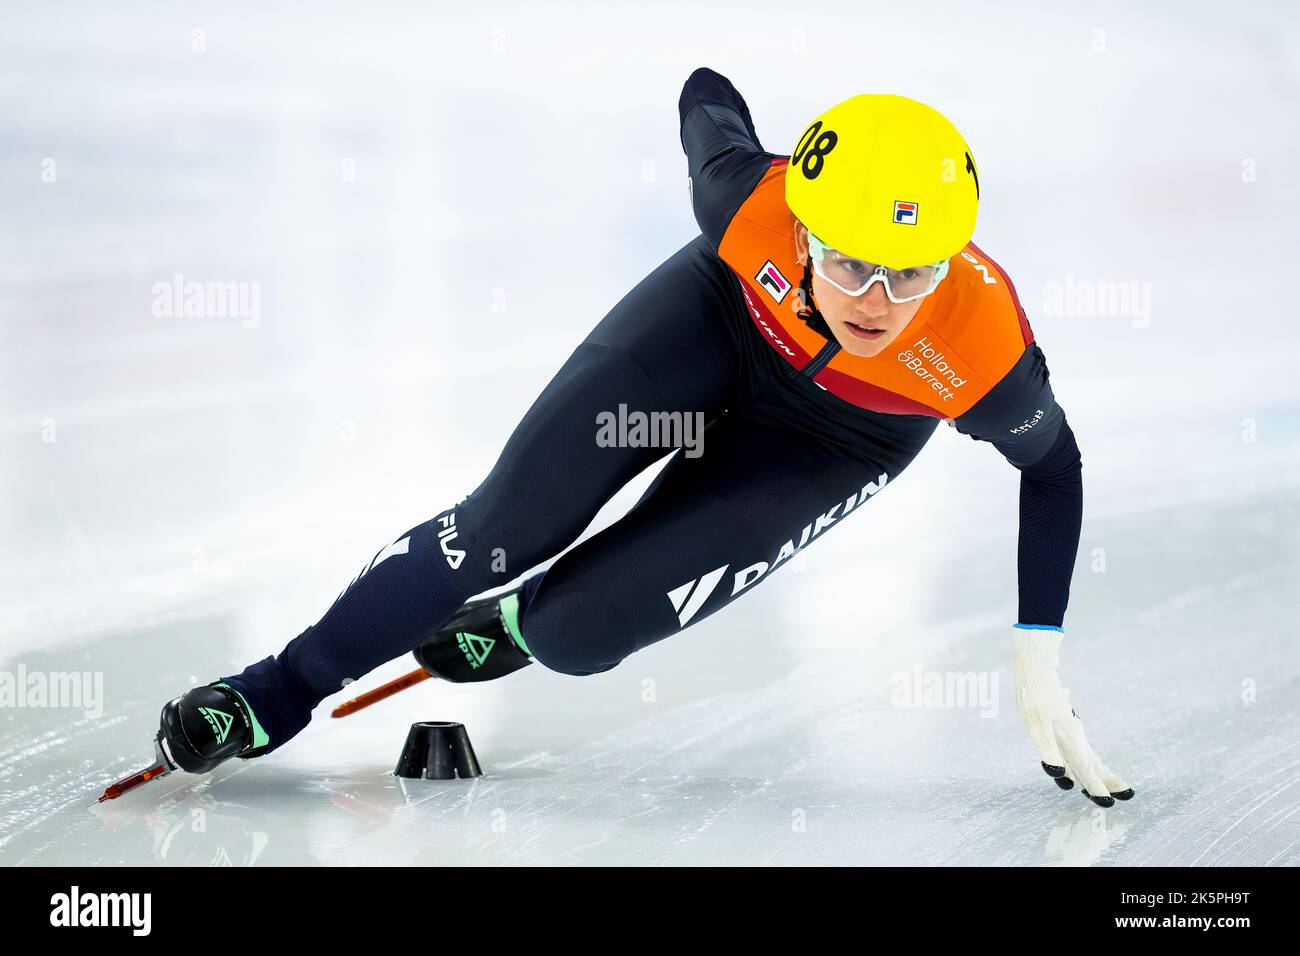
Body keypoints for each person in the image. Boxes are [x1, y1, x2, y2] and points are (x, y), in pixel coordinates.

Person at [153, 67, 1132, 807]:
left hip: (837, 438)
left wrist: (1036, 653)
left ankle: (518, 626)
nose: (877, 303)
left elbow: (1056, 471)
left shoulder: (982, 352)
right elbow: (705, 99)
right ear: (799, 230)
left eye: (911, 273)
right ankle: (272, 690)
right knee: (497, 530)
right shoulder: (745, 198)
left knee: (578, 633)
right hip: (715, 325)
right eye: (849, 264)